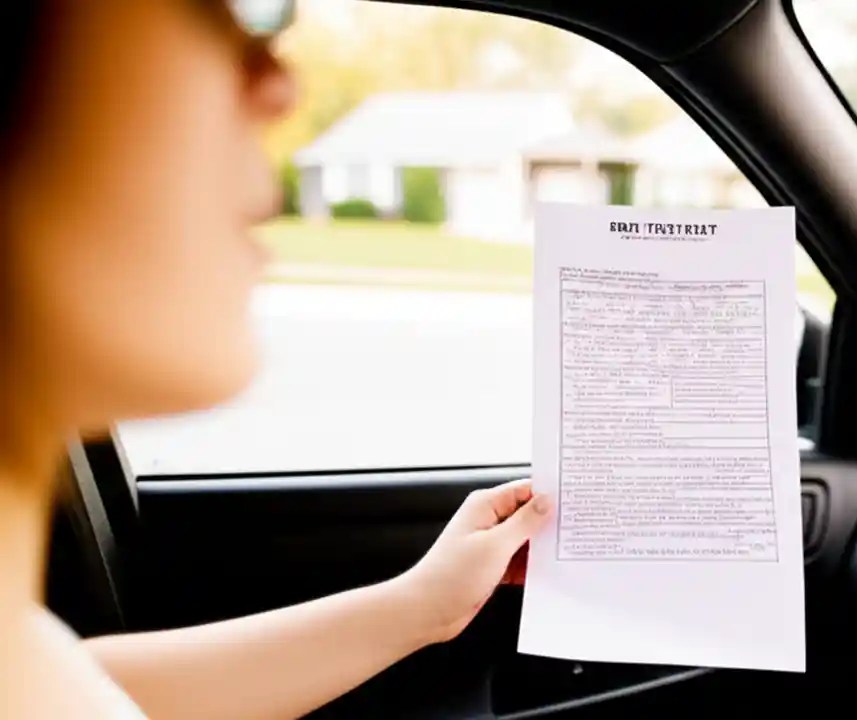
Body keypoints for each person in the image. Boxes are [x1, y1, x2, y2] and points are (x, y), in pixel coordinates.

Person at [0, 1, 552, 717]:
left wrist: (423, 607)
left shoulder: (25, 656)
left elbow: (91, 686)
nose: (279, 86)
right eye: (209, 10)